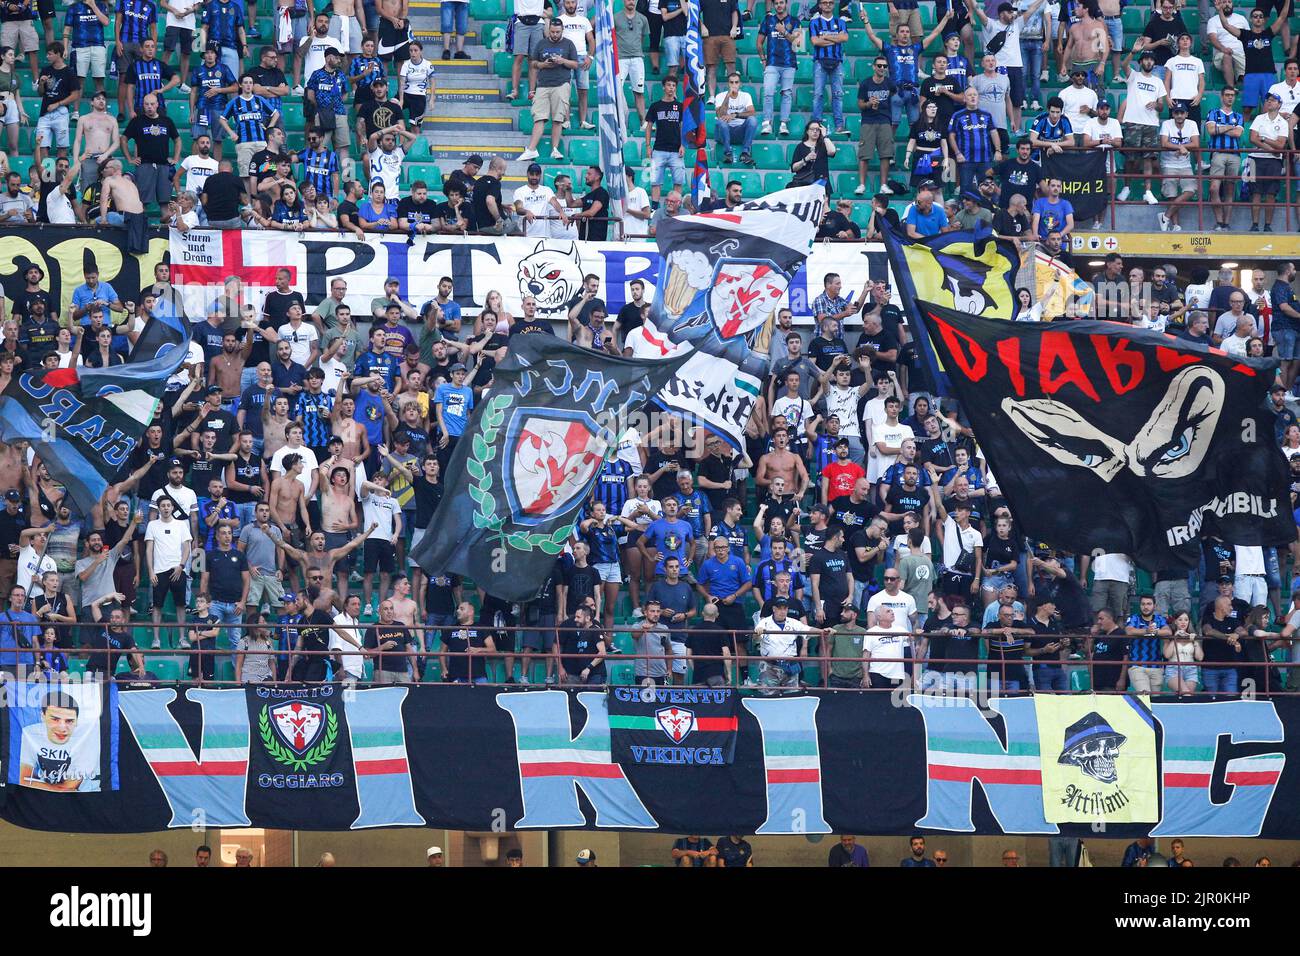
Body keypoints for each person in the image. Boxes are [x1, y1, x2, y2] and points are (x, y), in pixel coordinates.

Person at [517, 19, 577, 163]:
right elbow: (532, 62)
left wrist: (562, 61)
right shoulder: (542, 43)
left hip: (561, 83)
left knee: (558, 118)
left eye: (557, 32)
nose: (555, 34)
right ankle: (531, 149)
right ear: (549, 30)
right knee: (539, 117)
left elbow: (575, 64)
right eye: (552, 32)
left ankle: (555, 149)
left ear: (562, 30)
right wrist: (542, 64)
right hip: (543, 84)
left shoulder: (569, 43)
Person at [757, 0, 799, 136]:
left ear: (786, 4)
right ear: (773, 5)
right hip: (772, 63)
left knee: (786, 94)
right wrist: (763, 59)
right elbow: (759, 43)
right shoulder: (768, 20)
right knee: (768, 92)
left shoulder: (795, 21)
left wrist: (784, 31)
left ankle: (783, 124)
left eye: (781, 2)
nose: (779, 5)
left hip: (789, 63)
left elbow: (798, 43)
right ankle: (766, 123)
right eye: (776, 3)